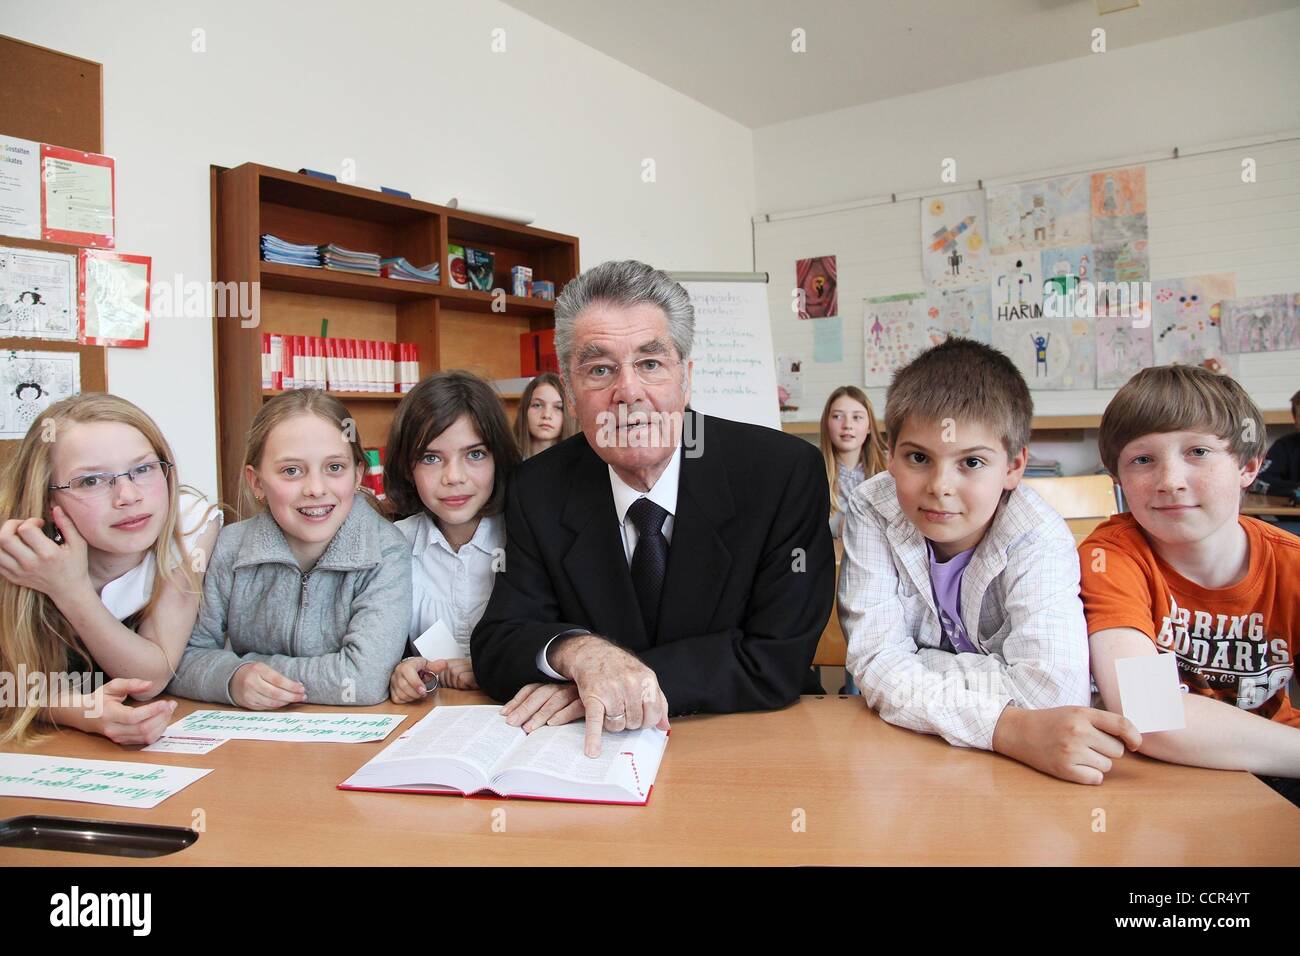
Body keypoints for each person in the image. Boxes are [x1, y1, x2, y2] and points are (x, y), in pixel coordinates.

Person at [472, 259, 835, 756]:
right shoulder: (539, 486)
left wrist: (612, 684)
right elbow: (500, 641)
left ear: (685, 379)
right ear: (571, 392)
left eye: (650, 363)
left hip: (748, 745)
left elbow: (777, 659)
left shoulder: (780, 474)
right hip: (591, 760)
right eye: (599, 369)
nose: (628, 392)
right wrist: (578, 652)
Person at [840, 338, 1137, 784]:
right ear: (890, 455)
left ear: (1015, 466)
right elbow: (874, 663)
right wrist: (1006, 727)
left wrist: (910, 662)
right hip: (909, 759)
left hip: (1012, 776)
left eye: (972, 462)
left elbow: (1049, 696)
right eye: (918, 458)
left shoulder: (1037, 533)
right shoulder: (872, 507)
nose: (940, 486)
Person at [1080, 365, 1299, 803]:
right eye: (1143, 460)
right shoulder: (1109, 557)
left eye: (1198, 452)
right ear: (1118, 481)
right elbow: (1152, 716)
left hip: (1273, 764)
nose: (1170, 481)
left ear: (1248, 466)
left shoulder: (1290, 564)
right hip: (1150, 776)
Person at [0, 394, 221, 746]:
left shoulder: (189, 523)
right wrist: (78, 709)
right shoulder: (17, 548)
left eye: (144, 469)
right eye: (91, 481)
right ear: (47, 498)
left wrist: (69, 591)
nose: (128, 496)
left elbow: (150, 676)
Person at [169, 389, 410, 708]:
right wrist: (235, 678)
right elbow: (175, 660)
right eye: (291, 471)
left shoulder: (386, 550)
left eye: (335, 468)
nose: (315, 489)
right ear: (256, 482)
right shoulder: (229, 547)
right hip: (254, 745)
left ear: (358, 475)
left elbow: (363, 680)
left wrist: (250, 668)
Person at [383, 371, 520, 702]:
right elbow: (379, 645)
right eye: (431, 458)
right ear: (406, 467)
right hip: (431, 720)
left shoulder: (526, 539)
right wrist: (401, 670)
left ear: (498, 459)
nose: (454, 477)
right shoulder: (391, 546)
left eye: (475, 454)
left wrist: (491, 667)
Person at [820, 385, 886, 539]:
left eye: (857, 417)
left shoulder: (889, 468)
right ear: (826, 423)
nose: (847, 425)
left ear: (870, 426)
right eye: (837, 416)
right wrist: (838, 525)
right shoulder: (811, 470)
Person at [513, 372, 576, 459]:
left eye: (558, 407)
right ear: (524, 410)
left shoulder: (580, 463)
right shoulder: (505, 459)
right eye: (537, 405)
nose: (546, 415)